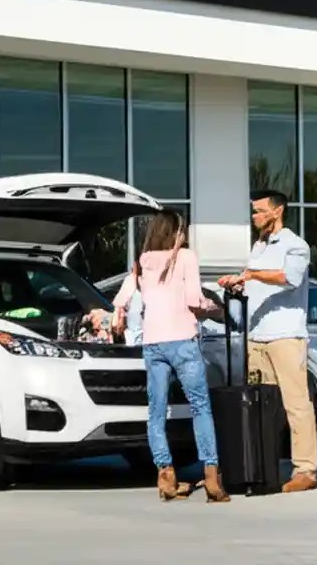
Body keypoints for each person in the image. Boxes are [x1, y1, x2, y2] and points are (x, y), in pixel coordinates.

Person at [114, 211, 229, 503]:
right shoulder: (186, 257)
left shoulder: (144, 260)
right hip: (182, 342)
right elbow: (193, 300)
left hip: (153, 344)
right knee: (200, 407)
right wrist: (213, 309)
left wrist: (118, 317)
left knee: (156, 412)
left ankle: (166, 476)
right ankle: (212, 477)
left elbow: (122, 298)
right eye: (184, 230)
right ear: (176, 232)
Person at [218, 189, 317, 493]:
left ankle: (306, 470)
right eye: (253, 211)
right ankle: (263, 463)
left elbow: (290, 278)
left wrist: (250, 275)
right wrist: (237, 285)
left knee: (296, 404)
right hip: (257, 335)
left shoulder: (295, 245)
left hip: (285, 335)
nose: (254, 216)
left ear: (277, 211)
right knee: (262, 405)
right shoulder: (258, 247)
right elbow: (256, 284)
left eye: (259, 211)